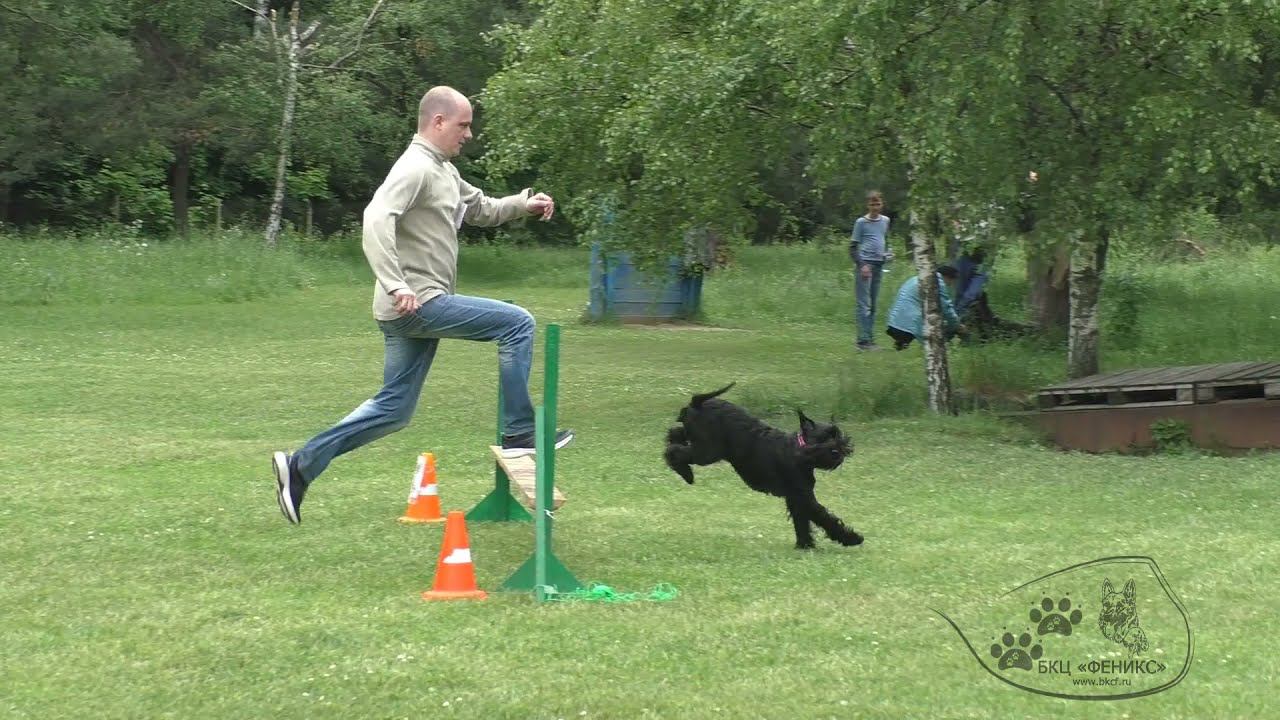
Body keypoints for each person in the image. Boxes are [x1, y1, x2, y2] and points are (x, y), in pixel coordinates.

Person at [270, 86, 572, 525]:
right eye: (463, 125)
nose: (468, 134)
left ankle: (300, 466)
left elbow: (480, 208)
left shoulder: (443, 171)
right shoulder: (414, 167)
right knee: (517, 324)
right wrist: (395, 283)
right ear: (437, 122)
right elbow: (376, 218)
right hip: (417, 302)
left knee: (393, 410)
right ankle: (519, 433)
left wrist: (522, 205)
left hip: (411, 309)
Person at [884, 265, 968, 350]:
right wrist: (957, 325)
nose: (951, 284)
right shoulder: (937, 283)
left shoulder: (916, 278)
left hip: (894, 321)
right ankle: (940, 346)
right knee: (940, 323)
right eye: (952, 281)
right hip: (909, 324)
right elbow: (946, 309)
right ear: (947, 277)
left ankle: (902, 343)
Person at [850, 190, 892, 351]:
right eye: (872, 204)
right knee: (864, 304)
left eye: (878, 203)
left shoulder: (885, 221)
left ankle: (869, 339)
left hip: (879, 264)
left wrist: (888, 254)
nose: (875, 207)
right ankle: (862, 341)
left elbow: (885, 240)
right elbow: (853, 248)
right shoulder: (861, 222)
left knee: (873, 304)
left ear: (882, 204)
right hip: (865, 266)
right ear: (868, 205)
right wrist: (862, 265)